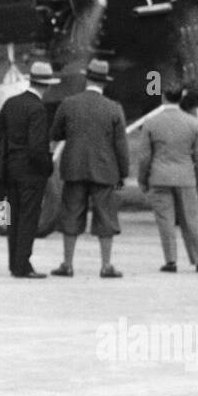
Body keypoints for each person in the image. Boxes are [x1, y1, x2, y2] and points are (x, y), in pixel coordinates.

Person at [49, 58, 129, 279]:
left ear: (87, 78)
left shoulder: (68, 103)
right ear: (104, 83)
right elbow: (121, 147)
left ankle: (67, 264)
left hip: (74, 169)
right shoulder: (114, 108)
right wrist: (122, 173)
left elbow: (55, 134)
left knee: (71, 215)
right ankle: (106, 266)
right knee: (106, 218)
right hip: (105, 171)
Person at [0, 61, 59, 278]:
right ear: (46, 86)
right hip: (30, 172)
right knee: (28, 219)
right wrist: (47, 168)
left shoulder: (11, 103)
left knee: (13, 218)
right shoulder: (37, 109)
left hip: (11, 169)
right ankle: (23, 265)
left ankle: (14, 263)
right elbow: (38, 147)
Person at [139, 85, 198, 273]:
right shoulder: (193, 123)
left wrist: (142, 179)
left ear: (163, 97)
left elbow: (145, 157)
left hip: (159, 178)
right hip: (186, 178)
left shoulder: (151, 123)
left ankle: (171, 261)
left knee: (165, 221)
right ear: (181, 98)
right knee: (191, 220)